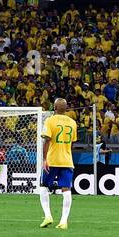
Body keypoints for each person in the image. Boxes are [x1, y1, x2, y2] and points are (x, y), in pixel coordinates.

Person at [40, 97, 77, 230]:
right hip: (67, 160)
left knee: (44, 186)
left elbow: (47, 141)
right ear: (66, 109)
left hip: (52, 160)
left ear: (54, 108)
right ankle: (63, 221)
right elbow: (72, 143)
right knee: (66, 189)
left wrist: (44, 160)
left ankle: (48, 216)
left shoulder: (50, 120)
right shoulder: (73, 123)